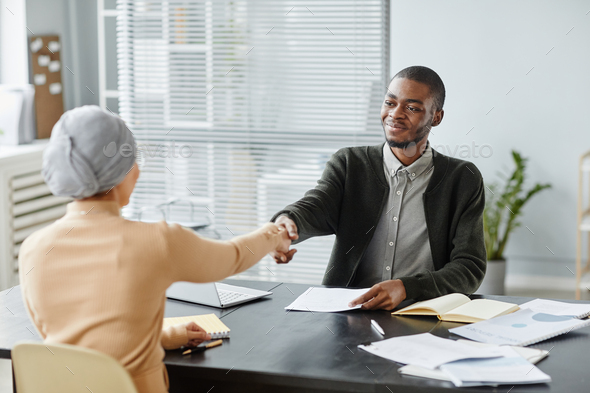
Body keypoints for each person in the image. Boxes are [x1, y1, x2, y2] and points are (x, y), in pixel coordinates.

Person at [18, 105, 291, 393]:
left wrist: (167, 335)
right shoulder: (155, 241)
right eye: (132, 160)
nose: (137, 170)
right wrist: (275, 234)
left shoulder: (34, 249)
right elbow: (232, 258)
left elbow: (81, 345)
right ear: (120, 173)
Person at [270, 66, 486, 311]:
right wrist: (287, 222)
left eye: (412, 107)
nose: (395, 114)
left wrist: (406, 288)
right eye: (390, 102)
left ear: (436, 117)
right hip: (347, 312)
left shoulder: (462, 179)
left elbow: (469, 267)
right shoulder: (350, 163)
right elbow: (317, 205)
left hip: (422, 314)